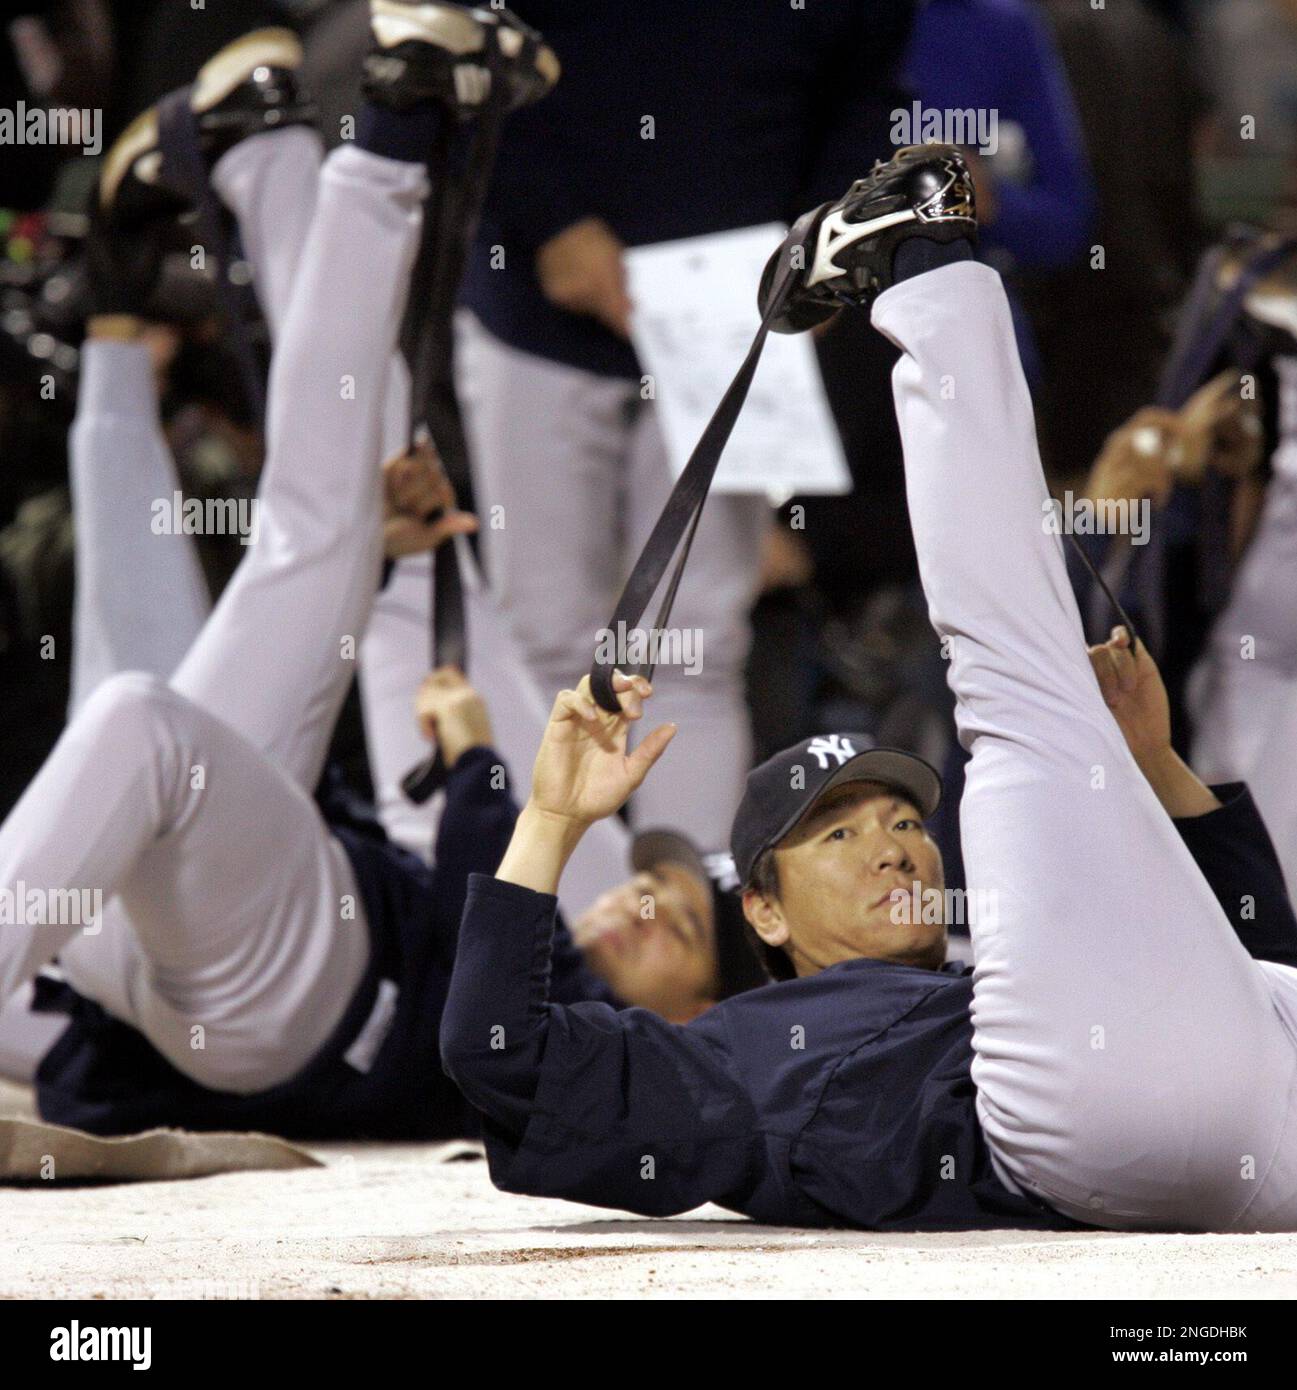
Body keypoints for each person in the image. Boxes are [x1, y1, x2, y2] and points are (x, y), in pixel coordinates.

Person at [442, 145, 1297, 1233]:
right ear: (762, 910)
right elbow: (499, 1056)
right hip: (1062, 1127)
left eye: (900, 822)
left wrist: (1154, 765)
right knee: (1015, 695)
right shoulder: (727, 1054)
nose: (893, 848)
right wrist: (551, 822)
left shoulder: (997, 963)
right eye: (837, 835)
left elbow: (1257, 951)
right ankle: (923, 264)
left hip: (1263, 1093)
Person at [0, 5, 582, 1139]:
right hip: (149, 961)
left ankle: (348, 140)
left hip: (301, 1011)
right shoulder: (667, 896)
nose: (648, 909)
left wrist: (478, 777)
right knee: (176, 664)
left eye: (678, 919)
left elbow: (495, 1018)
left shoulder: (655, 1025)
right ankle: (176, 250)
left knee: (149, 709)